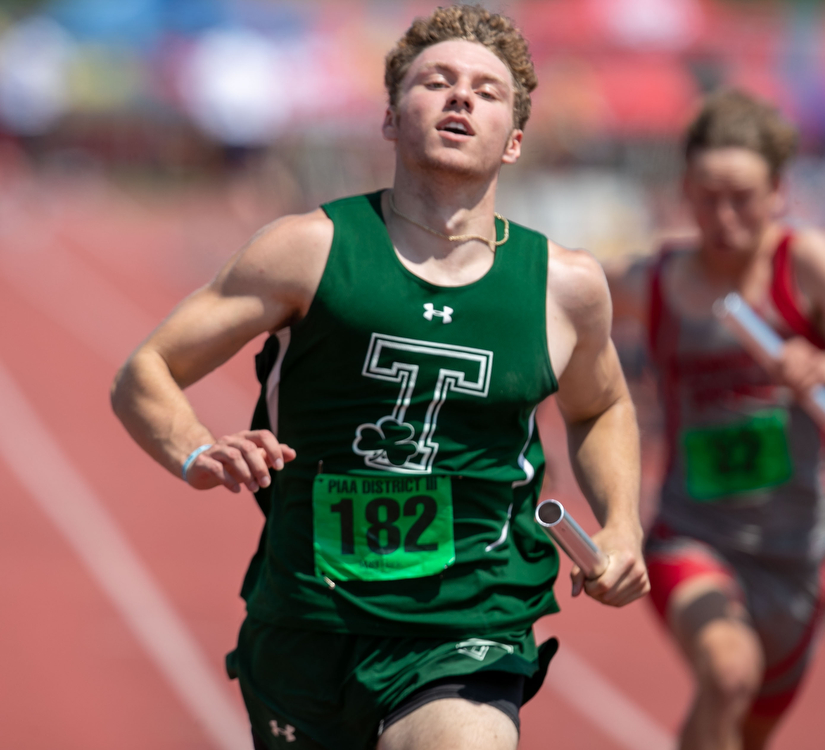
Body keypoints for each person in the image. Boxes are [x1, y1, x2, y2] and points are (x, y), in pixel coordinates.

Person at [110, 7, 649, 750]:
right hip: (311, 618)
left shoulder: (565, 285)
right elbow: (147, 369)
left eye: (487, 92)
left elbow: (602, 405)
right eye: (437, 82)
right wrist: (197, 451)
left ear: (515, 140)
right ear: (392, 119)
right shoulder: (308, 250)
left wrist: (622, 522)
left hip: (472, 617)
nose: (461, 98)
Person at [625, 90, 825, 750]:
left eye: (742, 197)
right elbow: (558, 301)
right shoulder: (659, 279)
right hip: (694, 532)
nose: (724, 216)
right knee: (728, 673)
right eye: (706, 196)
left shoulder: (807, 262)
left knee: (742, 726)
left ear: (777, 193)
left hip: (796, 552)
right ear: (685, 189)